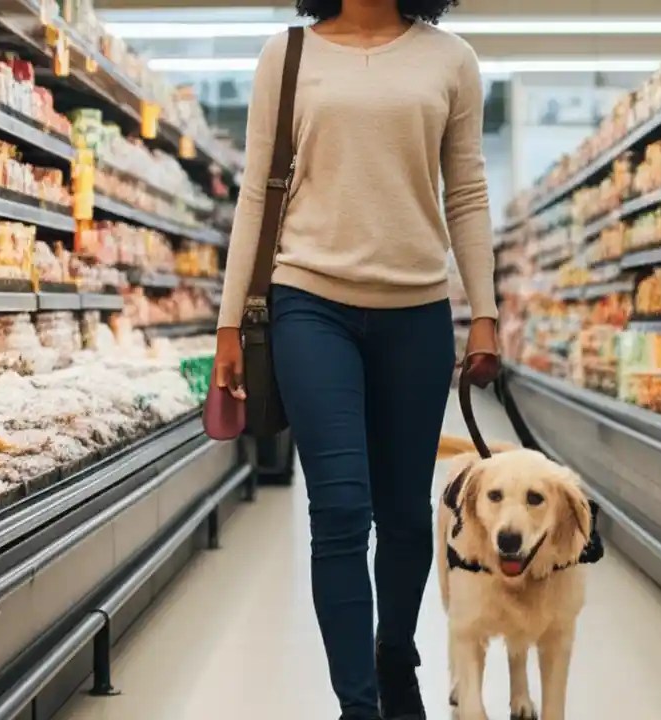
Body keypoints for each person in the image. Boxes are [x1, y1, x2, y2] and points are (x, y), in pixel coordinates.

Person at [213, 0, 499, 718]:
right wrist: (227, 323)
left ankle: (394, 651)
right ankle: (358, 705)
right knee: (340, 509)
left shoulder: (451, 59)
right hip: (309, 303)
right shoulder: (288, 54)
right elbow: (256, 192)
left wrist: (485, 314)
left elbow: (465, 192)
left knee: (404, 515)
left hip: (417, 311)